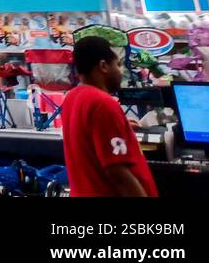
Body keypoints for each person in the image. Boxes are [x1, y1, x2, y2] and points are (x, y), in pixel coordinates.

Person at [61, 36, 157, 197]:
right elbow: (117, 171)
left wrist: (121, 127)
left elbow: (88, 136)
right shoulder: (103, 104)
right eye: (118, 64)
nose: (121, 71)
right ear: (104, 66)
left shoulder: (72, 97)